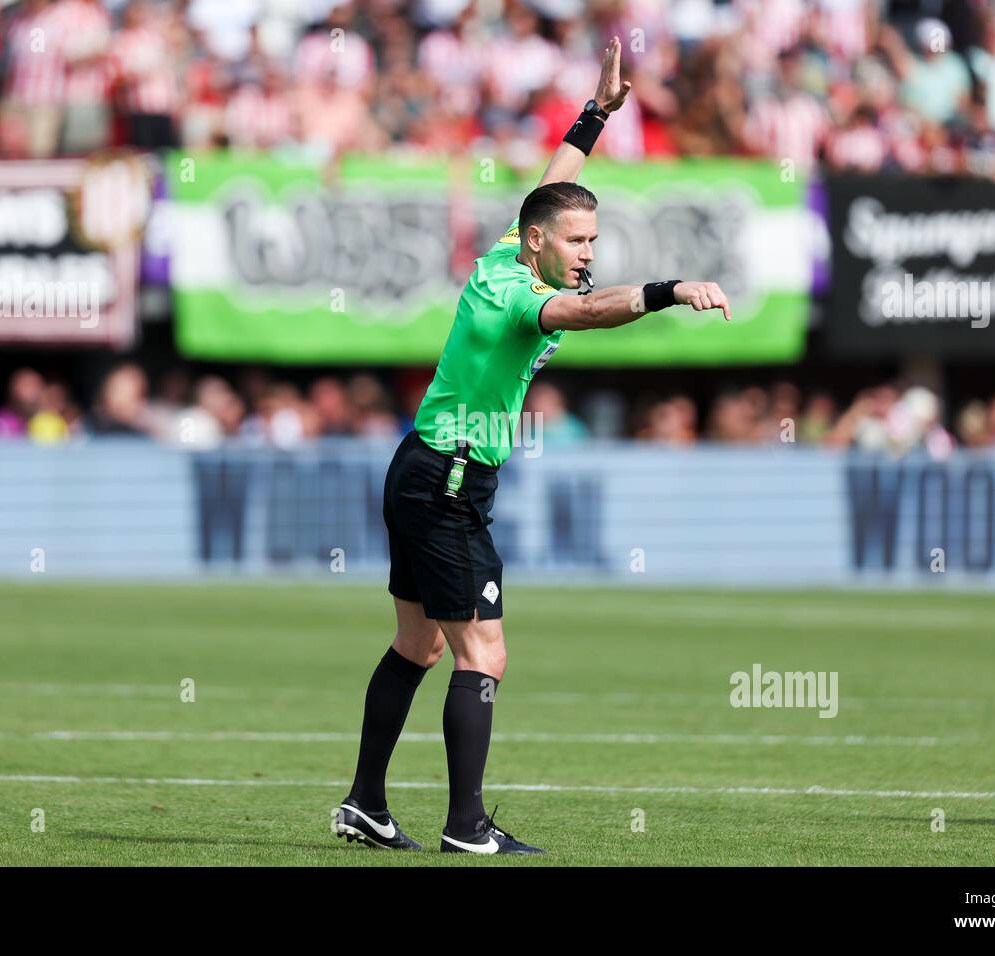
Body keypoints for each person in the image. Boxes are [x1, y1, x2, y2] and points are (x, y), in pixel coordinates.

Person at [334, 37, 731, 856]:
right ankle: (467, 827)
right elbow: (587, 315)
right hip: (447, 479)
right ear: (541, 245)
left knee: (419, 643)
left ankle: (366, 805)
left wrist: (595, 114)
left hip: (420, 468)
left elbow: (550, 187)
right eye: (580, 242)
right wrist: (668, 290)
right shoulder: (523, 298)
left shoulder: (506, 252)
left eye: (593, 240)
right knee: (485, 651)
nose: (589, 253)